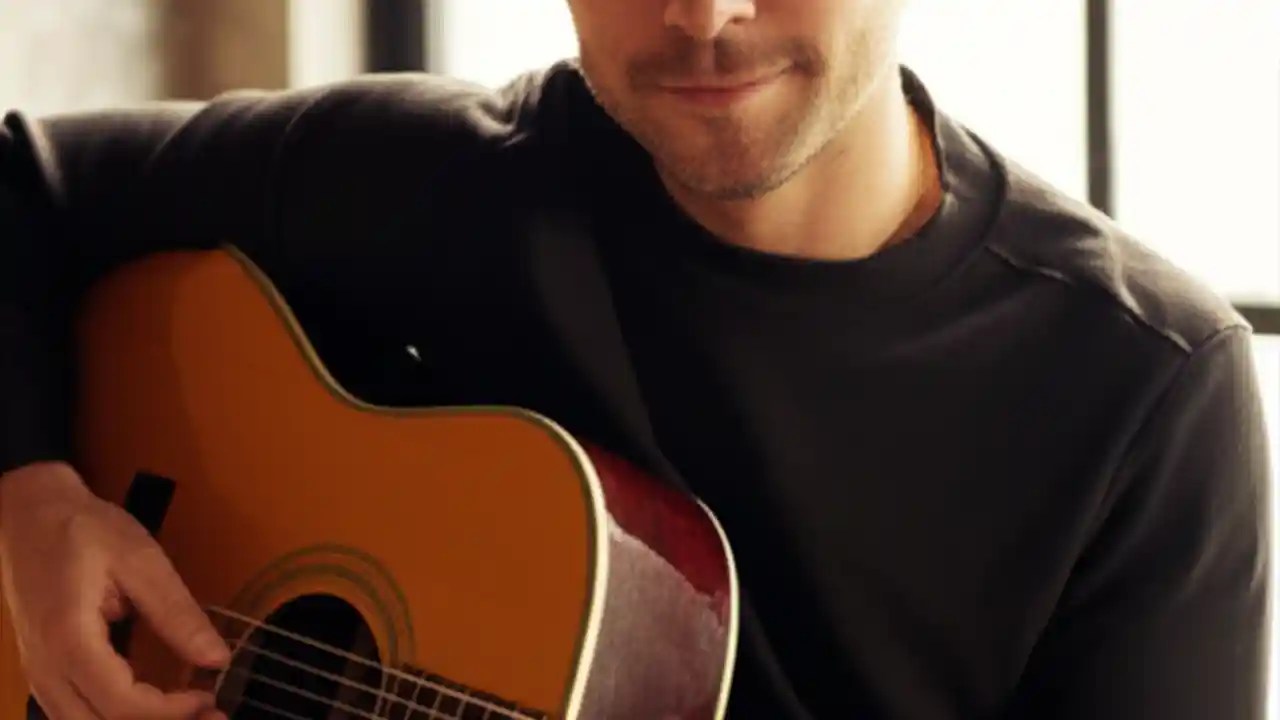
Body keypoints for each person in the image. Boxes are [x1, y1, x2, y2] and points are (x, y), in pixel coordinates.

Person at [0, 0, 1270, 718]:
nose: (701, 13)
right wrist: (32, 491)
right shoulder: (455, 184)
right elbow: (24, 185)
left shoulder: (1144, 391)